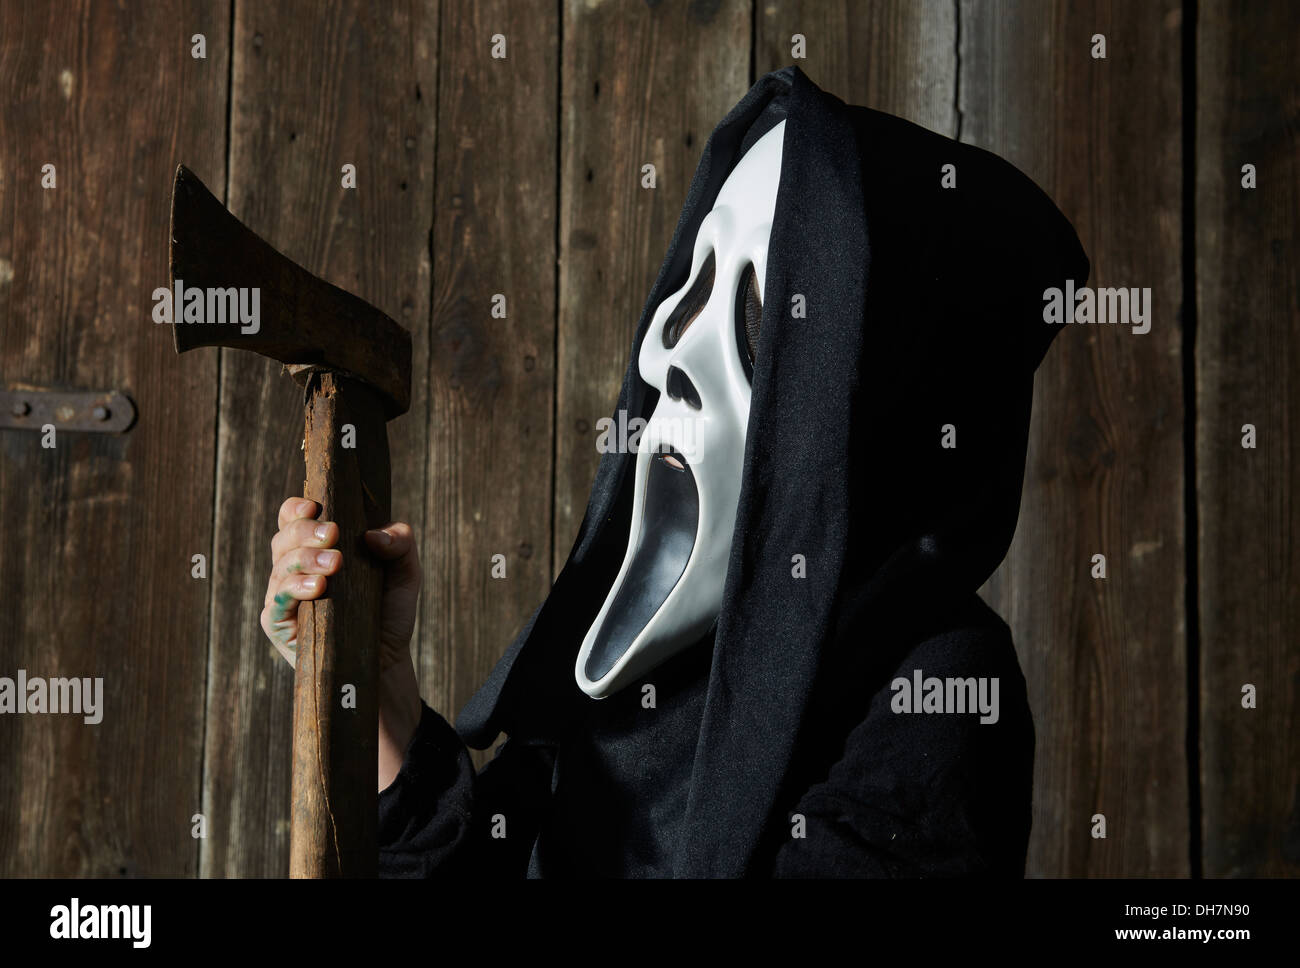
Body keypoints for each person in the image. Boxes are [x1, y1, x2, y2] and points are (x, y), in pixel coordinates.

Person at [260, 65, 1088, 877]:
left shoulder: (936, 689)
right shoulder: (645, 688)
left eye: (763, 313)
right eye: (690, 286)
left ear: (885, 394)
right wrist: (380, 699)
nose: (664, 352)